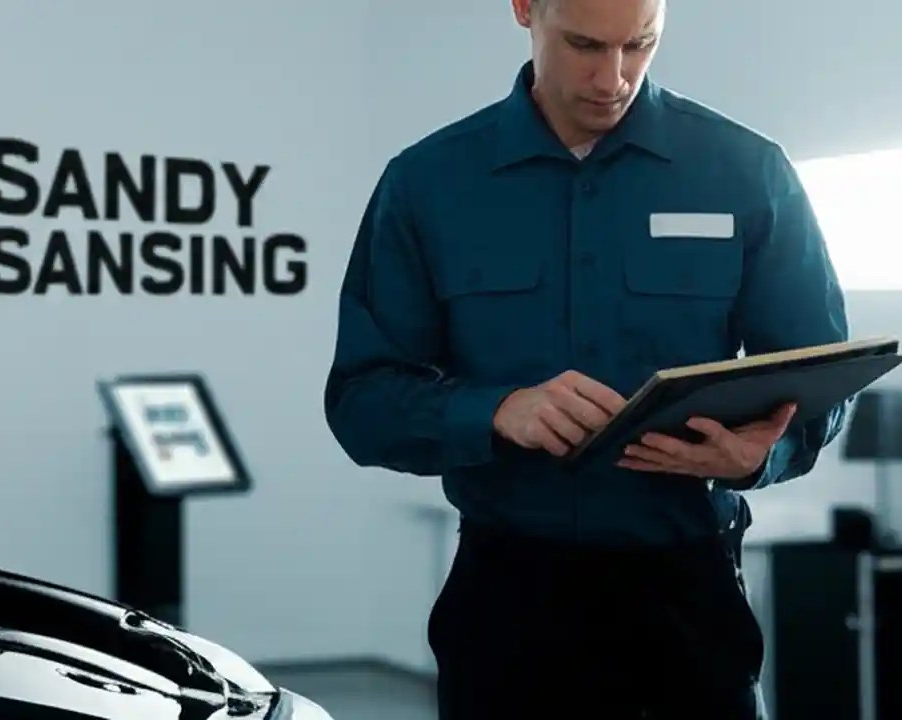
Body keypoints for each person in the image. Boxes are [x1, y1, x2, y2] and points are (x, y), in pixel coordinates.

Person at [323, 0, 849, 717]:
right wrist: (497, 410)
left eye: (641, 44)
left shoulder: (748, 173)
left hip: (688, 596)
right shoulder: (427, 184)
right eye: (584, 45)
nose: (614, 78)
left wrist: (764, 453)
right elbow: (361, 401)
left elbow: (820, 382)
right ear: (523, 9)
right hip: (507, 598)